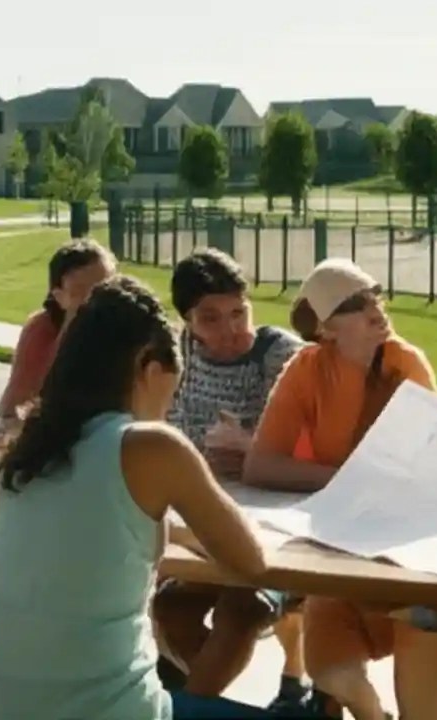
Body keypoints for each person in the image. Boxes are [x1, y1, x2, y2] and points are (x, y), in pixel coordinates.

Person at [0, 275, 271, 720]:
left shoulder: (20, 452)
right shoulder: (151, 446)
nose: (167, 410)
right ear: (148, 368)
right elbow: (250, 562)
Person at [244, 258, 437, 720]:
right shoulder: (307, 367)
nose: (375, 312)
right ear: (326, 329)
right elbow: (261, 464)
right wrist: (345, 479)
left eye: (374, 297)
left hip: (408, 552)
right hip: (339, 545)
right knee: (335, 675)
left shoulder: (404, 362)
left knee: (429, 687)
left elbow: (435, 462)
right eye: (355, 306)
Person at [152, 249, 310, 712]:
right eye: (211, 319)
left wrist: (253, 448)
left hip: (277, 526)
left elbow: (318, 445)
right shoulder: (176, 354)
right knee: (171, 610)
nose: (231, 329)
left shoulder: (280, 356)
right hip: (203, 521)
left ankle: (186, 710)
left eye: (239, 313)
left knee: (239, 612)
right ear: (187, 321)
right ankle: (202, 704)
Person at [0, 239, 116, 450]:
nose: (97, 303)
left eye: (106, 289)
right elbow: (13, 413)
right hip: (47, 443)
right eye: (83, 295)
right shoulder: (42, 330)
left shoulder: (129, 330)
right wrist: (71, 326)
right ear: (59, 297)